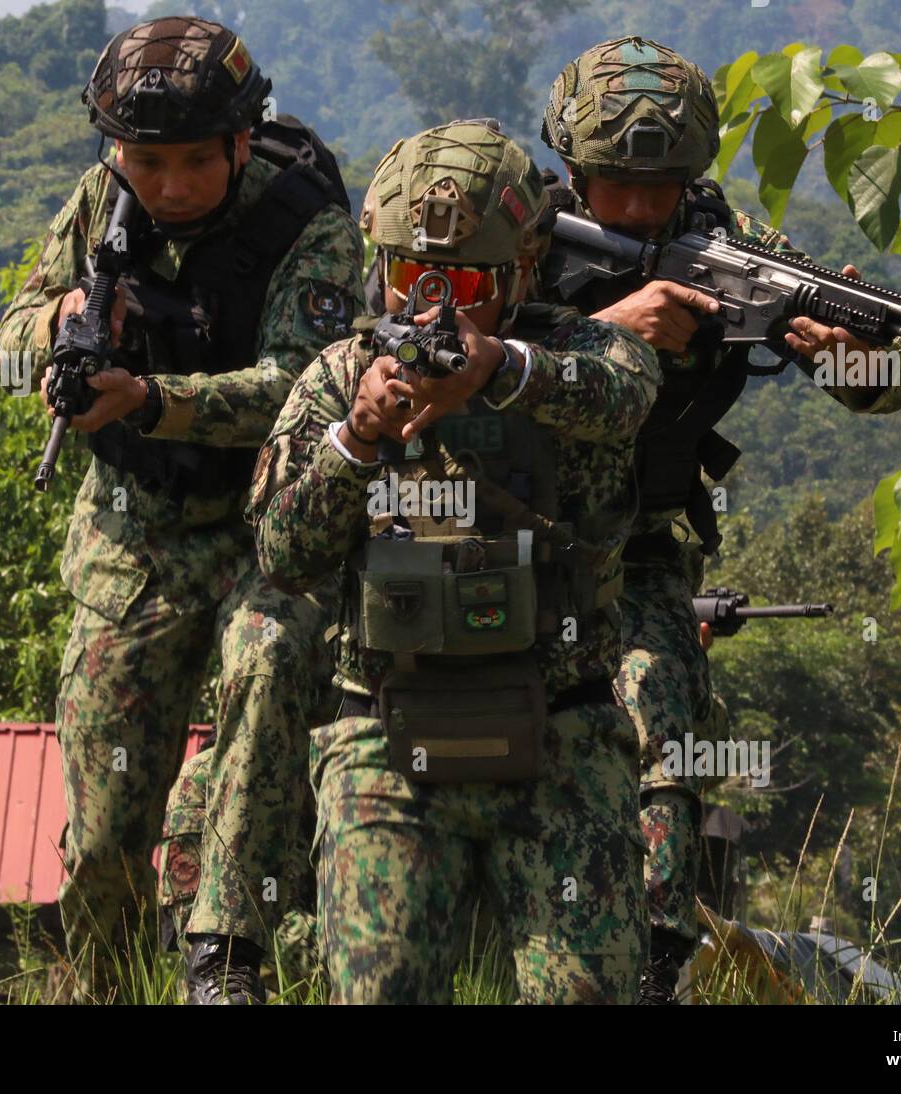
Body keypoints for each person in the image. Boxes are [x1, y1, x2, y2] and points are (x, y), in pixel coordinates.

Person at [247, 119, 665, 1003]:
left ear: (522, 273)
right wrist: (357, 439)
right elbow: (282, 553)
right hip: (384, 734)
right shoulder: (336, 377)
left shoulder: (583, 355)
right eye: (411, 277)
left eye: (466, 283)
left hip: (562, 733)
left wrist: (500, 374)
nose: (434, 303)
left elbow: (621, 394)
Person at [0, 16, 364, 1003]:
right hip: (133, 534)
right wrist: (59, 330)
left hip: (263, 528)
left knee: (270, 666)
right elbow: (14, 322)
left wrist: (155, 400)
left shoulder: (307, 221)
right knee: (108, 816)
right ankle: (101, 979)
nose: (165, 184)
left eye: (192, 161)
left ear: (240, 142)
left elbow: (302, 384)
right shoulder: (99, 203)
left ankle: (224, 951)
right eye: (143, 160)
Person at [538, 35, 901, 1003]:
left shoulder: (732, 243)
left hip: (641, 545)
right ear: (572, 167)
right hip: (504, 538)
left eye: (664, 185)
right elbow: (435, 341)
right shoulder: (516, 231)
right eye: (619, 184)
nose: (644, 207)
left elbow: (883, 390)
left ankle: (661, 957)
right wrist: (603, 330)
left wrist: (846, 354)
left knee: (666, 724)